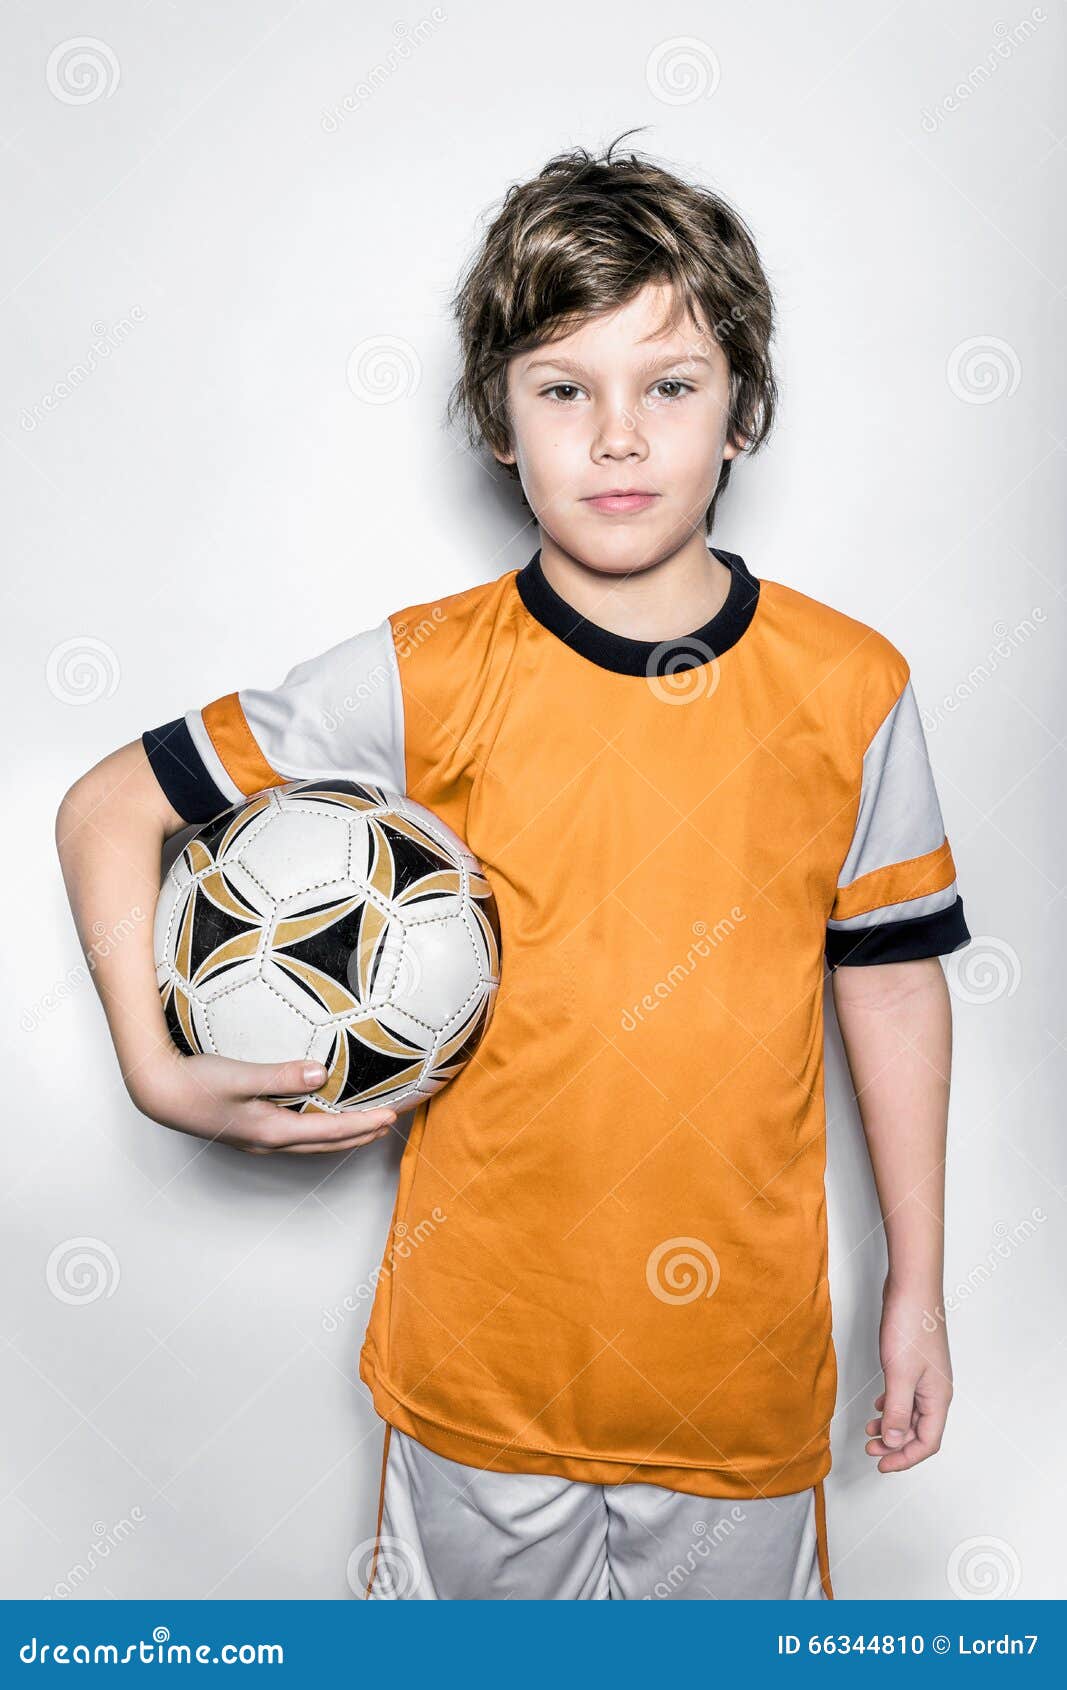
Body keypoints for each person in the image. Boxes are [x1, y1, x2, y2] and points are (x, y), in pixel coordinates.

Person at [55, 134, 970, 1601]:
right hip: (477, 1374)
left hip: (735, 1377)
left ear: (743, 409)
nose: (618, 438)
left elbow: (895, 981)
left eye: (669, 385)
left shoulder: (851, 685)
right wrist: (159, 1070)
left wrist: (917, 1286)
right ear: (499, 417)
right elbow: (108, 807)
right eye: (564, 389)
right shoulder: (427, 670)